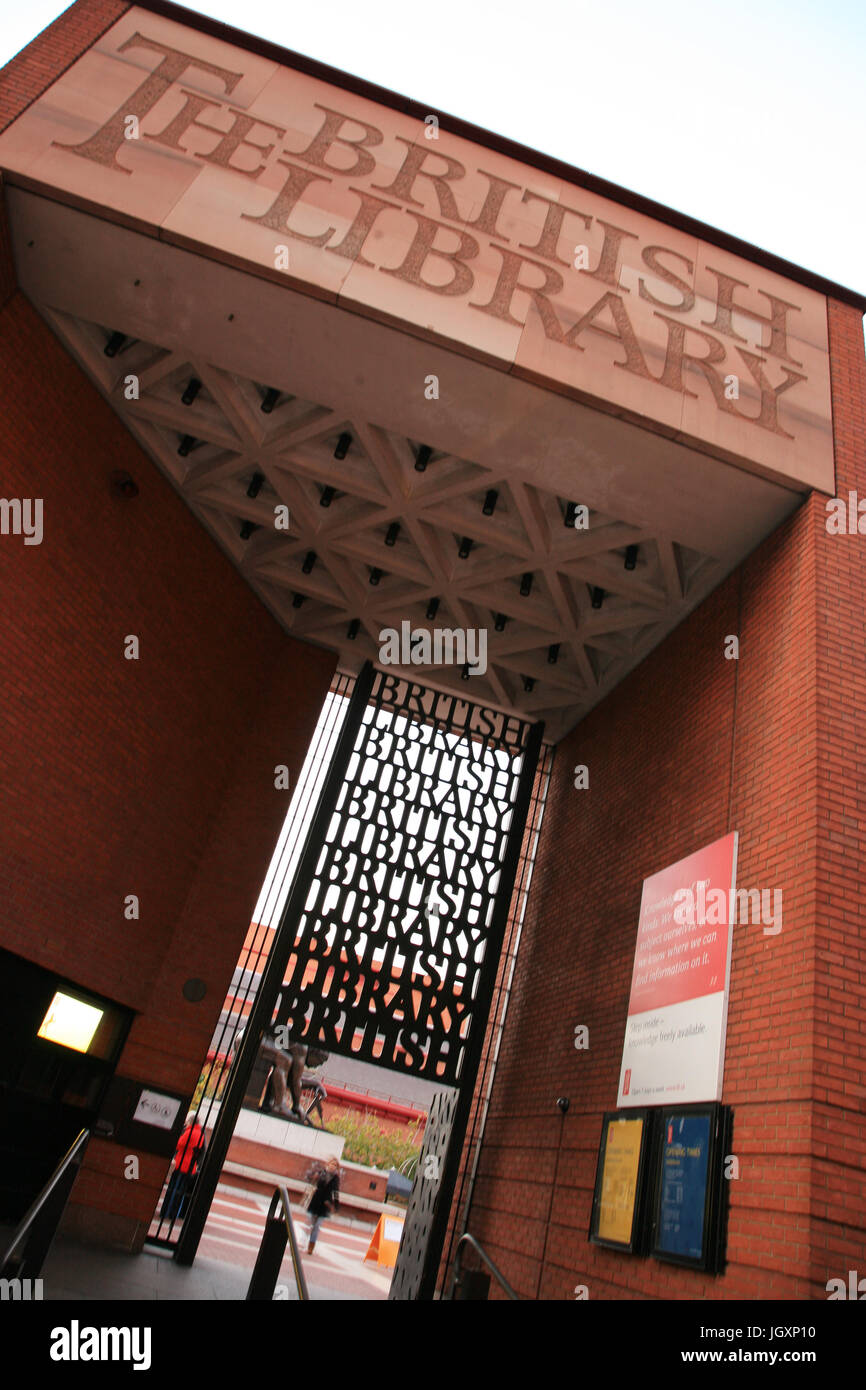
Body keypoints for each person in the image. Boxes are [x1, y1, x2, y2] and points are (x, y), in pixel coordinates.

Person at [160, 1111, 206, 1222]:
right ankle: (174, 1213)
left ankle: (166, 1211)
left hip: (181, 1163)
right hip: (191, 1165)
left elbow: (179, 1144)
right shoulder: (200, 1134)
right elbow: (201, 1150)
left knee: (173, 1188)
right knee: (181, 1190)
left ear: (190, 1121)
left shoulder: (189, 1132)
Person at [305, 1156, 340, 1254]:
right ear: (327, 1164)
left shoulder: (336, 1178)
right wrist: (314, 1177)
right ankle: (306, 1240)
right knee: (311, 1223)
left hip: (325, 1204)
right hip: (315, 1201)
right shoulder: (321, 1173)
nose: (333, 1167)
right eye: (332, 1164)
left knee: (317, 1226)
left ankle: (311, 1246)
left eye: (335, 1165)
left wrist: (336, 1206)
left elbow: (336, 1192)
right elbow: (310, 1179)